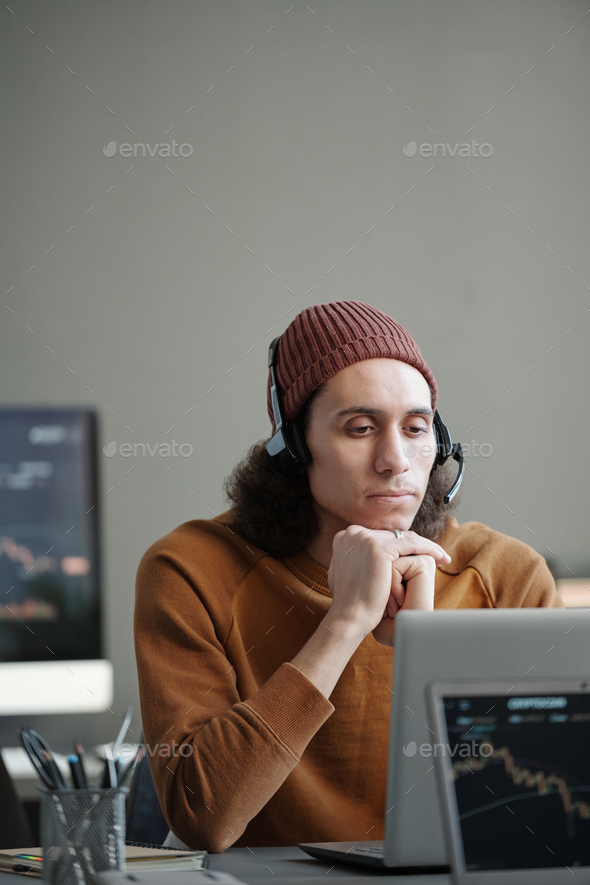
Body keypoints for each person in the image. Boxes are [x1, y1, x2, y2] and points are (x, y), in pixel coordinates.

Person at [134, 300, 563, 853]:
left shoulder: (507, 575)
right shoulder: (191, 569)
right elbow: (205, 815)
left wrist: (426, 655)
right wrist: (345, 624)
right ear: (293, 446)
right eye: (360, 428)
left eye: (416, 428)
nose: (395, 460)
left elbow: (547, 809)